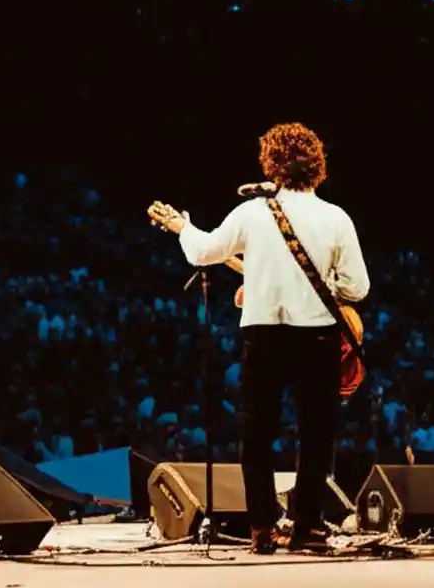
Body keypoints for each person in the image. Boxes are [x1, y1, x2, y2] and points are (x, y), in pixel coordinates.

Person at [153, 122, 369, 554]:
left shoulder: (252, 213)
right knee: (316, 433)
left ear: (270, 164)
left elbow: (203, 252)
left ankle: (262, 529)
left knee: (256, 432)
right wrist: (319, 286)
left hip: (264, 335)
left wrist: (181, 227)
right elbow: (357, 288)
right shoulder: (336, 218)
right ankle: (305, 526)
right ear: (318, 166)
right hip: (318, 337)